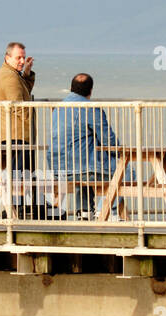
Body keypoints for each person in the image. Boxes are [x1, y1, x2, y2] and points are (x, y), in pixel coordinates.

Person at [49, 73, 119, 218]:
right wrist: (119, 152)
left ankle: (85, 213)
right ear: (90, 91)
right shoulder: (90, 108)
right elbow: (108, 140)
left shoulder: (57, 108)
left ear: (71, 88)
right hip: (82, 166)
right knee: (126, 172)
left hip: (58, 168)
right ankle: (104, 209)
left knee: (84, 173)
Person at [0, 41, 50, 218]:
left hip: (16, 133)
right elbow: (18, 105)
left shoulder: (13, 75)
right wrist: (29, 117)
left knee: (25, 173)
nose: (21, 60)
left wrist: (25, 73)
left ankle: (32, 206)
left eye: (23, 57)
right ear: (7, 57)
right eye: (18, 57)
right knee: (19, 174)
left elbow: (23, 91)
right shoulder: (9, 77)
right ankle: (14, 210)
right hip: (16, 134)